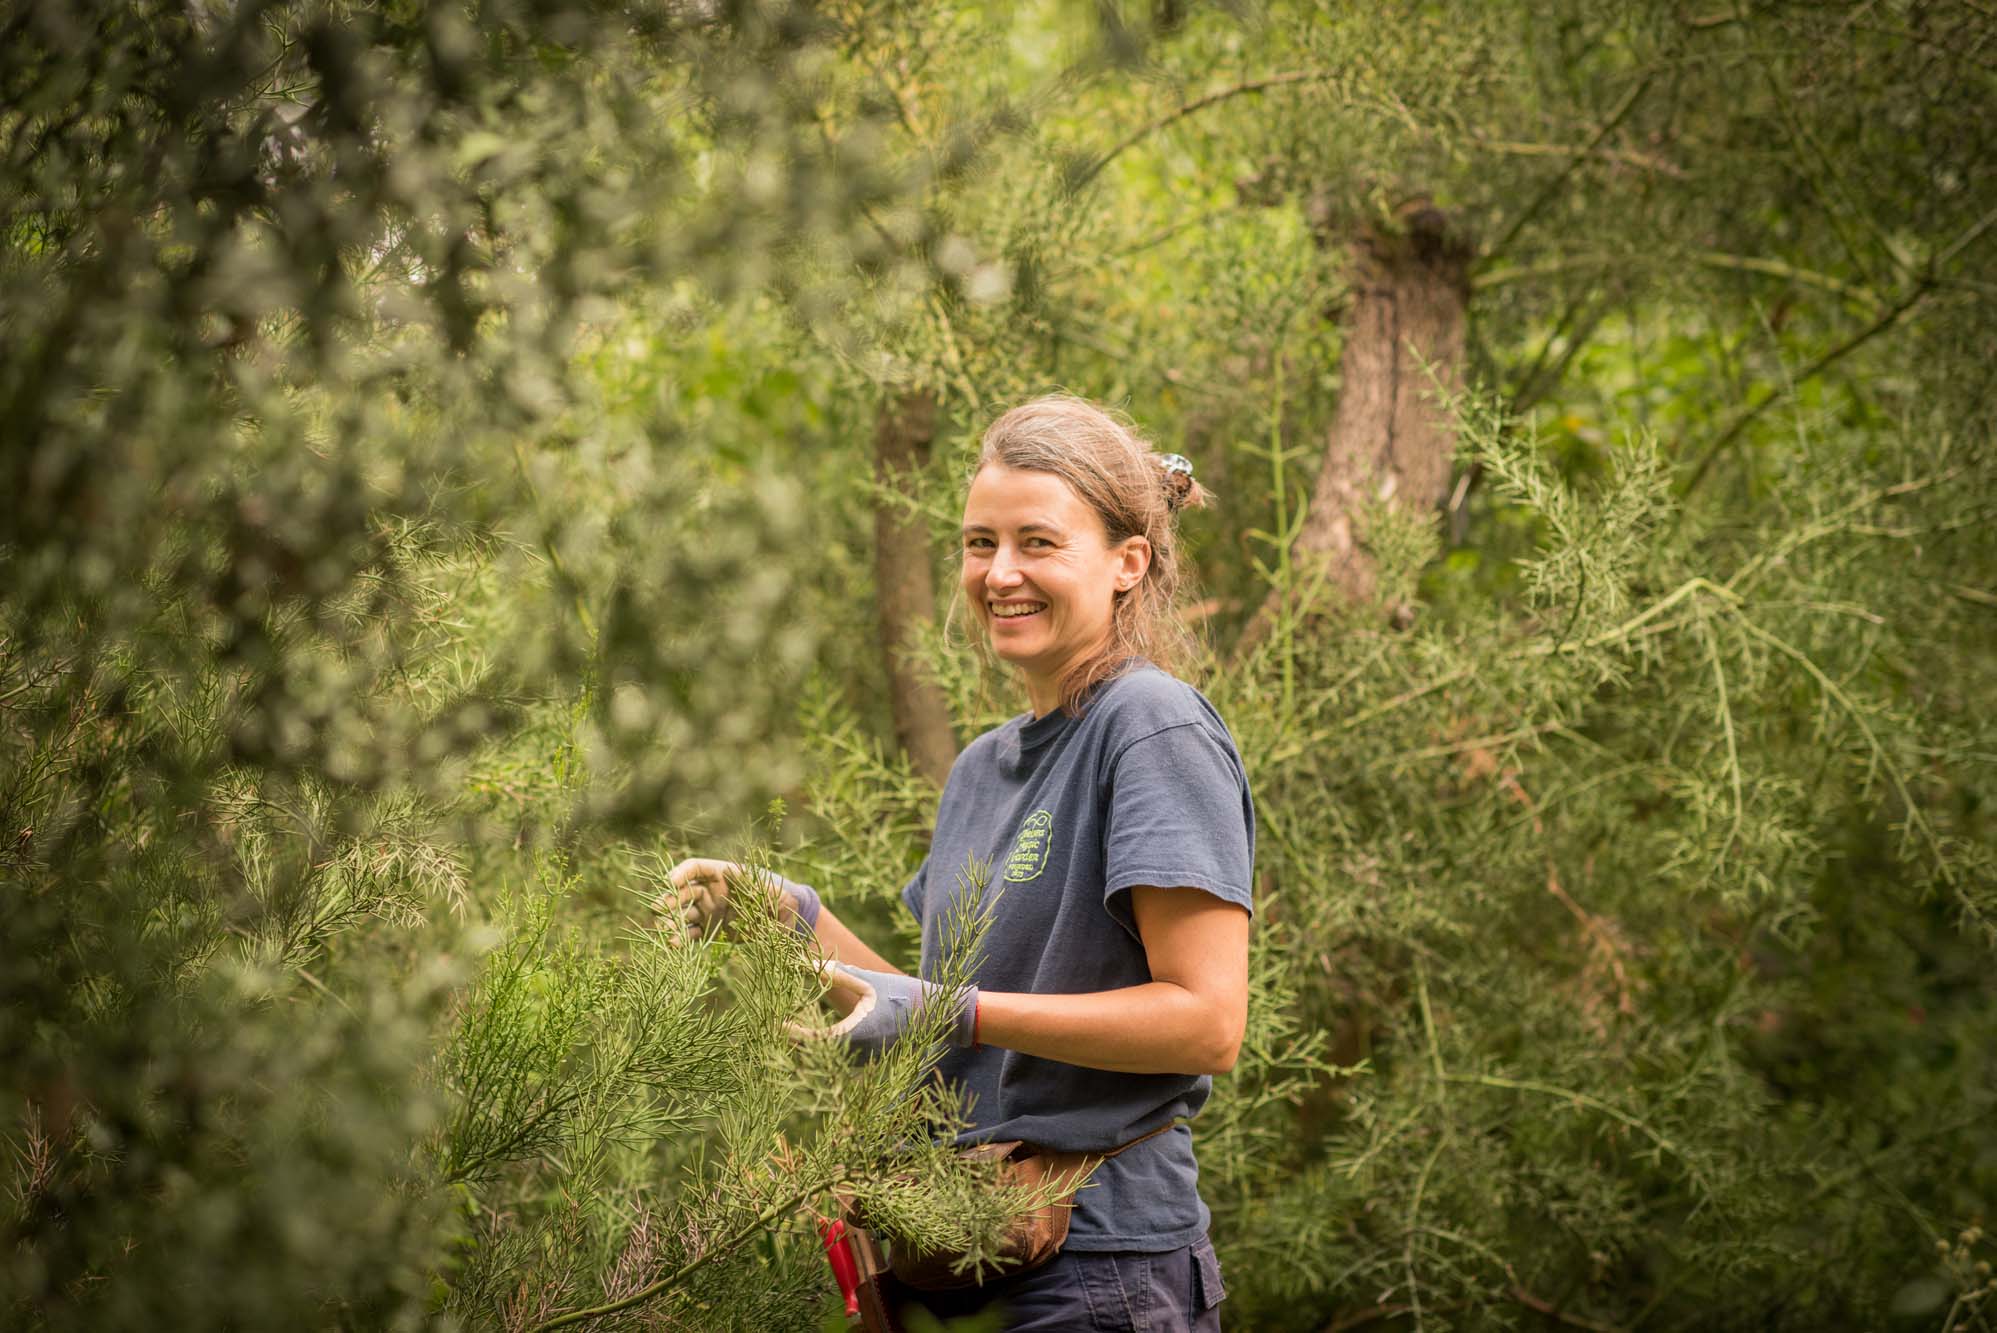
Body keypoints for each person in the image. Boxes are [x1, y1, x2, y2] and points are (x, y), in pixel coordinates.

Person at [669, 393, 1254, 1332]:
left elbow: (1207, 1021)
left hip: (1105, 1273)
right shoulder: (983, 768)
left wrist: (960, 1009)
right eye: (980, 543)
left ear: (1126, 564)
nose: (1000, 572)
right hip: (969, 1269)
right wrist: (791, 920)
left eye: (1037, 542)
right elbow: (945, 1023)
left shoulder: (1150, 728)